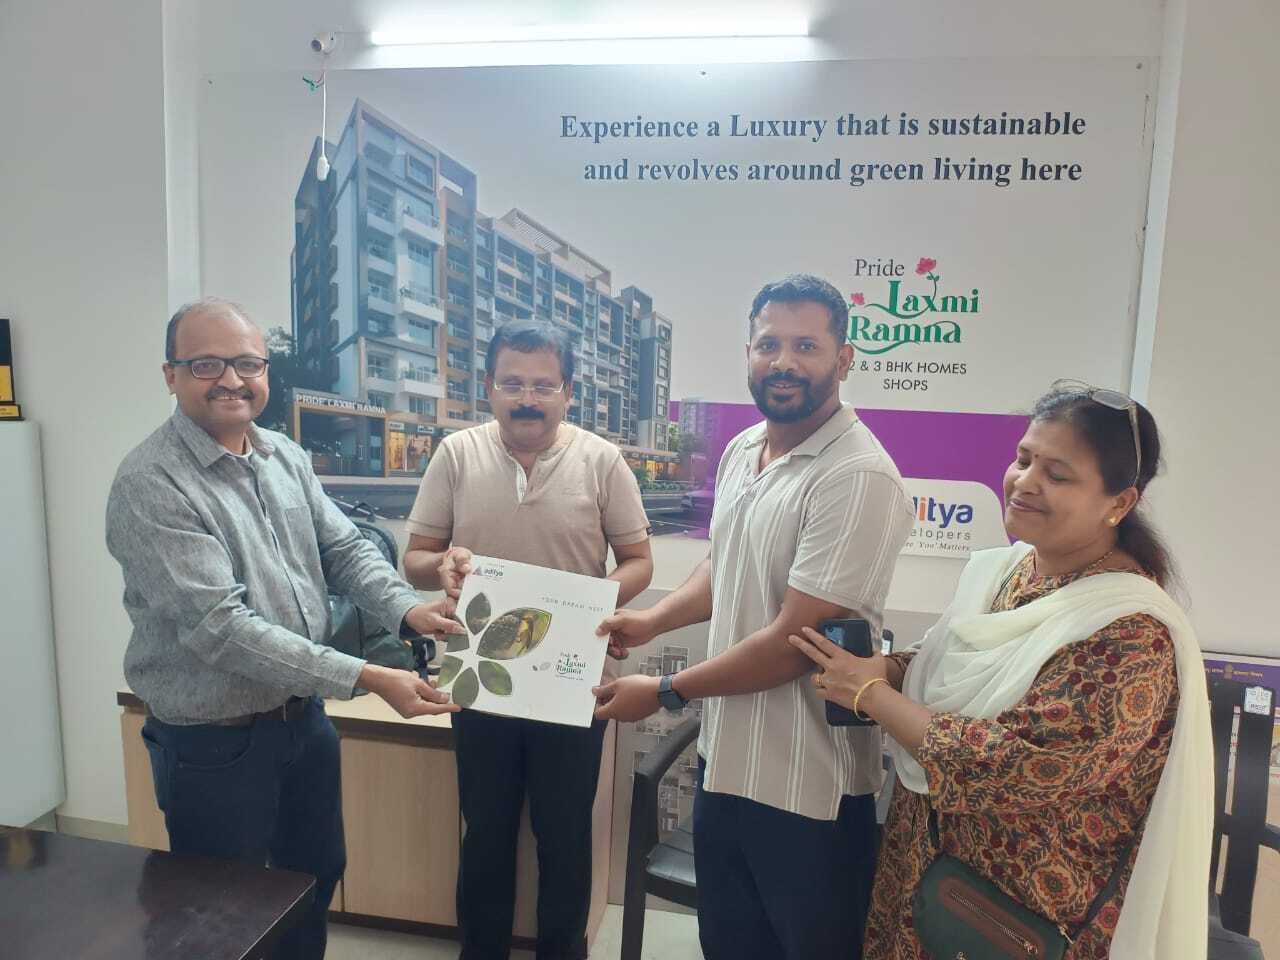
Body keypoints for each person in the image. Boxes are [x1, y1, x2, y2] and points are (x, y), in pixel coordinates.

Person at [789, 380, 1212, 958]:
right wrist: (887, 668)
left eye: (1057, 474)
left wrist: (873, 695)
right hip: (923, 878)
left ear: (1119, 502)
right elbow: (951, 662)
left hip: (1017, 912)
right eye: (1023, 458)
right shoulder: (1007, 572)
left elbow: (1018, 764)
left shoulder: (1130, 632)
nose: (1025, 481)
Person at [106, 298, 463, 960]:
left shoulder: (283, 456)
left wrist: (407, 610)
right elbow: (221, 629)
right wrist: (366, 675)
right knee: (221, 915)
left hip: (303, 723)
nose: (232, 380)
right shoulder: (151, 482)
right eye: (206, 364)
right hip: (213, 744)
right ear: (171, 374)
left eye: (248, 363)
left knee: (312, 880)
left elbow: (344, 550)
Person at [593, 275, 914, 960]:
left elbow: (795, 643)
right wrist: (653, 621)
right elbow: (726, 565)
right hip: (726, 767)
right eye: (769, 344)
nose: (784, 362)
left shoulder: (857, 475)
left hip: (809, 789)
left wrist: (666, 690)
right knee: (729, 946)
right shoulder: (743, 451)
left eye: (806, 346)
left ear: (844, 359)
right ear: (748, 353)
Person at [402, 319, 653, 960]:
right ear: (489, 386)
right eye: (512, 383)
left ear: (568, 391)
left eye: (544, 385)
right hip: (479, 676)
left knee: (564, 833)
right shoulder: (456, 454)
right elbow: (415, 559)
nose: (528, 399)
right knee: (485, 828)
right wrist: (444, 563)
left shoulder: (602, 461)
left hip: (571, 678)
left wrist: (595, 608)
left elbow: (638, 562)